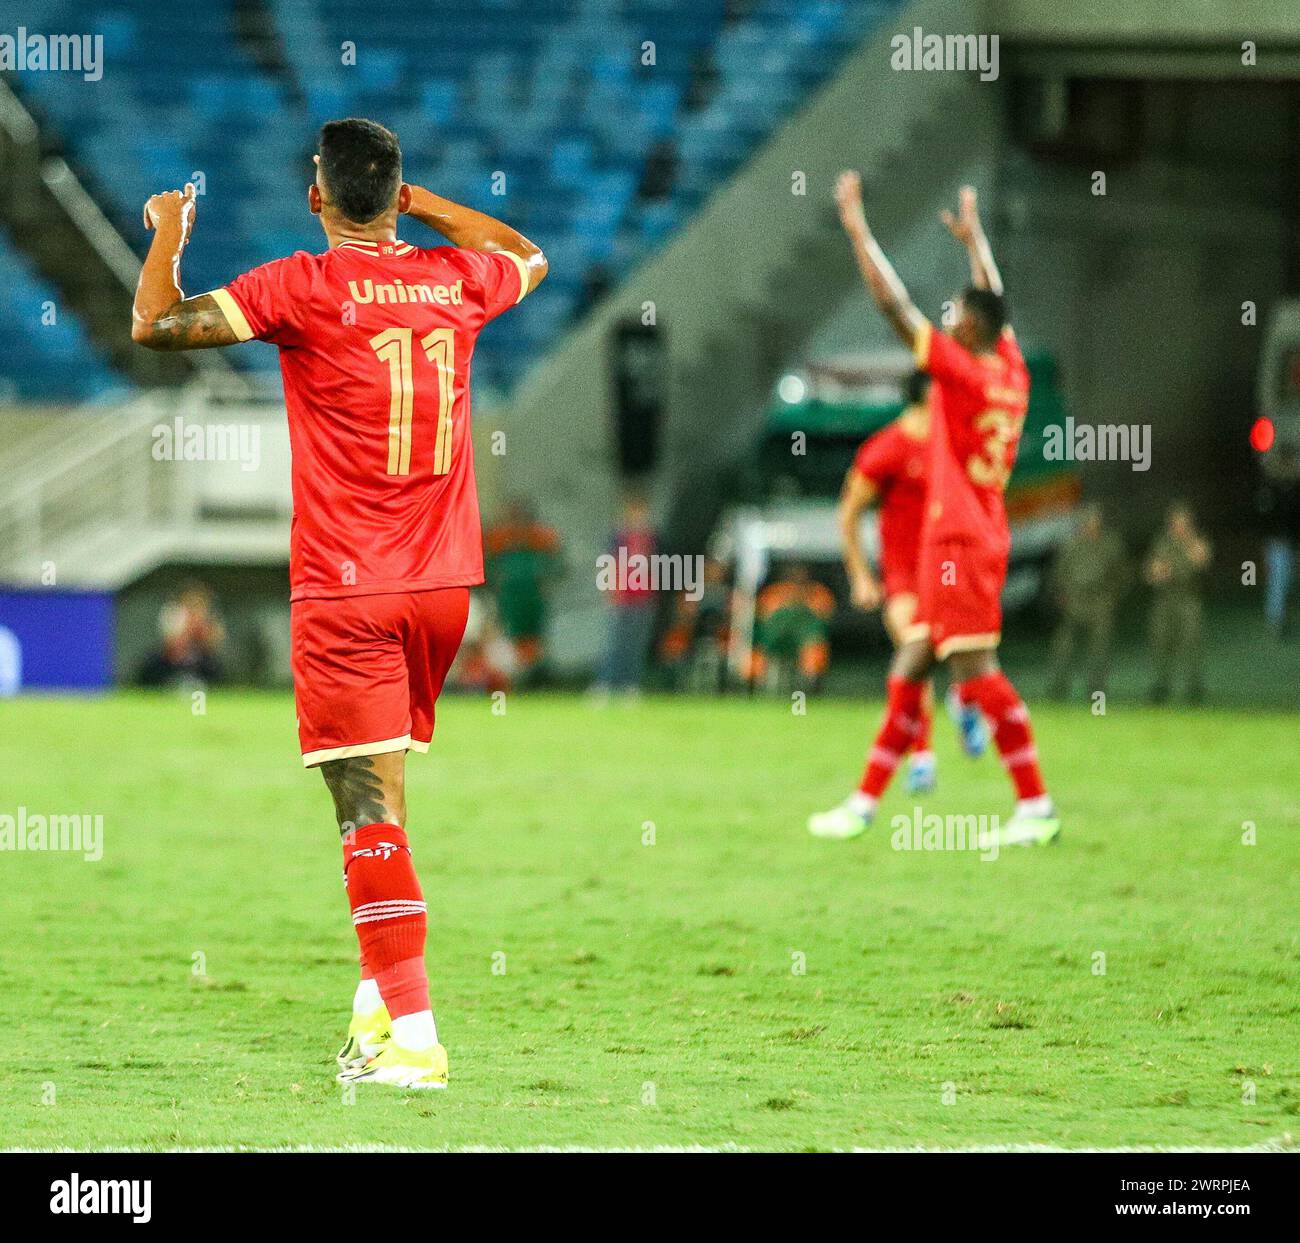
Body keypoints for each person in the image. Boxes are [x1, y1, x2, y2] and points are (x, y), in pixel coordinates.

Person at [132, 118, 548, 1089]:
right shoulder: (455, 279)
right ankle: (374, 1011)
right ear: (397, 194)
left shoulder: (301, 286)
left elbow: (157, 323)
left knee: (363, 807)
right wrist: (429, 208)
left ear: (315, 198)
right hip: (444, 591)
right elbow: (527, 253)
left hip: (351, 588)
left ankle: (415, 1038)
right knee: (384, 798)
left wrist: (166, 231)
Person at [809, 179, 1058, 848]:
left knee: (977, 675)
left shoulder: (966, 374)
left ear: (968, 328)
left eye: (954, 310)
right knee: (910, 667)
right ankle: (863, 804)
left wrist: (859, 232)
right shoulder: (1010, 369)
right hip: (964, 538)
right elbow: (993, 302)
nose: (945, 315)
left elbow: (894, 306)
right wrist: (976, 243)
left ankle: (1035, 805)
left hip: (961, 544)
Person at [836, 370, 951, 793]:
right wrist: (861, 576)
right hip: (903, 576)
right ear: (927, 397)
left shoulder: (952, 443)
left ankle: (966, 704)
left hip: (947, 571)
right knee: (914, 659)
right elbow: (848, 514)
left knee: (961, 655)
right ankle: (922, 755)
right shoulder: (886, 449)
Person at [1047, 503, 1129, 699]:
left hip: (1100, 603)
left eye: (1093, 521)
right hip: (1075, 603)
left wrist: (1111, 598)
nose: (1090, 525)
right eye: (1086, 522)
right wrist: (1062, 596)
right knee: (1063, 647)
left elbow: (1122, 575)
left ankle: (1096, 691)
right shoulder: (1071, 545)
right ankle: (1058, 688)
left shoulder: (1110, 545)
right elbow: (1059, 574)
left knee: (1099, 650)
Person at [483, 498, 564, 686]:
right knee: (511, 634)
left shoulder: (541, 535)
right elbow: (486, 565)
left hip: (533, 595)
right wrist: (496, 583)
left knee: (534, 635)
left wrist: (546, 580)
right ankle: (512, 678)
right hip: (510, 596)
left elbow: (558, 564)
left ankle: (533, 678)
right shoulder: (500, 536)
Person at [1144, 502, 1211, 703]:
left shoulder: (1198, 541)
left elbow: (1201, 561)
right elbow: (1152, 572)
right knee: (1161, 643)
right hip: (1165, 600)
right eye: (1176, 523)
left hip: (1189, 599)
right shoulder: (1161, 543)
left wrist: (1187, 550)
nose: (1179, 527)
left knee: (1191, 643)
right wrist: (1160, 572)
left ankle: (1194, 685)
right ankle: (1161, 683)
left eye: (1183, 523)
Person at [593, 494, 658, 697]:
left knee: (635, 645)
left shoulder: (650, 539)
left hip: (642, 598)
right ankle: (604, 684)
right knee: (614, 644)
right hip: (621, 598)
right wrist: (609, 591)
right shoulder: (618, 538)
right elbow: (608, 564)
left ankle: (631, 685)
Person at [748, 563, 836, 694]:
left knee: (816, 648)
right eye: (794, 573)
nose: (797, 576)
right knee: (753, 649)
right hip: (773, 640)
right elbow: (762, 619)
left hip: (804, 641)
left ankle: (808, 690)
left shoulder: (818, 592)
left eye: (801, 573)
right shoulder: (773, 592)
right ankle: (753, 689)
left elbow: (825, 618)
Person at [138, 580, 226, 688]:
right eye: (191, 601)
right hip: (171, 662)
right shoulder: (172, 613)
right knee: (151, 665)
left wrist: (204, 630)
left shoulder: (208, 616)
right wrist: (189, 627)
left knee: (215, 667)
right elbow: (171, 645)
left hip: (198, 662)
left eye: (199, 602)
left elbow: (214, 643)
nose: (195, 605)